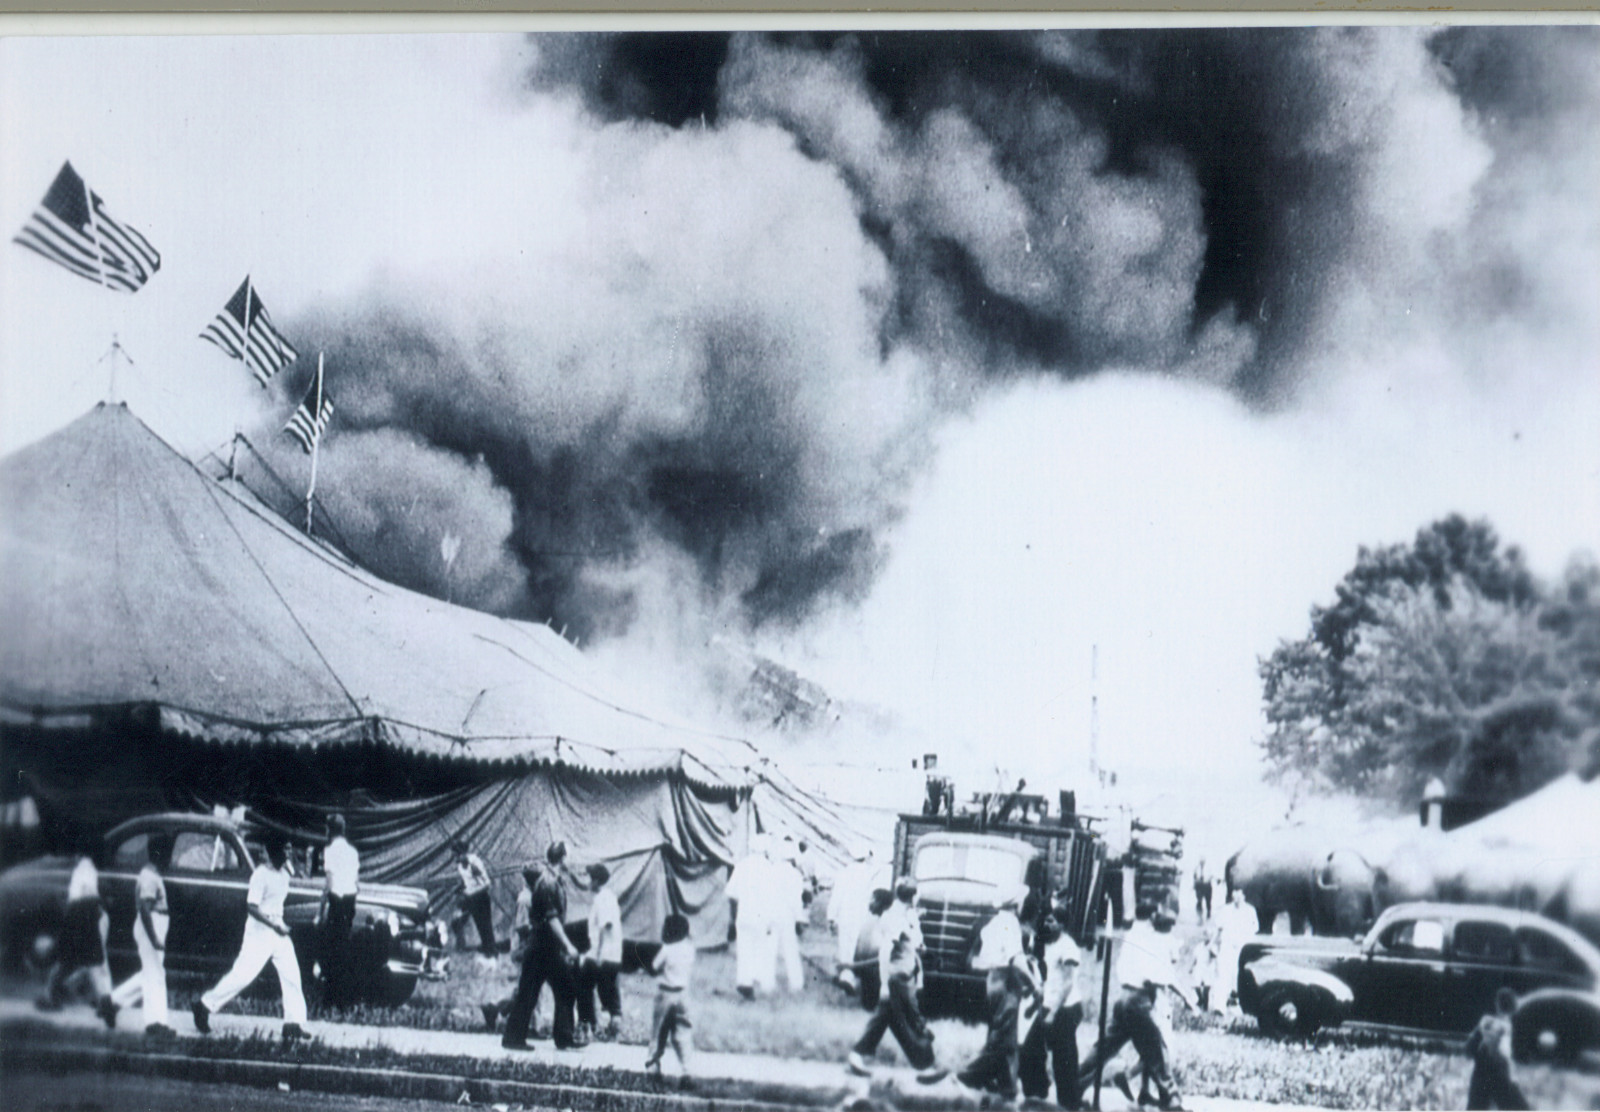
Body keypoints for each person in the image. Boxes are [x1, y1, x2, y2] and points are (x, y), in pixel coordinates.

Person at [193, 832, 309, 1041]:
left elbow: (295, 871)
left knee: (292, 975)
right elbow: (252, 907)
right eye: (287, 848)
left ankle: (293, 1024)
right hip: (260, 932)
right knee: (242, 975)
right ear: (277, 850)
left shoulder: (285, 872)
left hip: (278, 928)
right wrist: (273, 924)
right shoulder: (260, 875)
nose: (291, 852)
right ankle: (203, 1006)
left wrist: (278, 924)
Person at [1075, 908, 1186, 1112]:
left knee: (1105, 1046)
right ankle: (1171, 1100)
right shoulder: (1149, 939)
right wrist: (1187, 996)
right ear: (1152, 917)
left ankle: (1075, 1086)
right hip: (1140, 999)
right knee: (1156, 1050)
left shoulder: (1132, 935)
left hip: (1123, 997)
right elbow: (1160, 977)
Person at [846, 877, 949, 1085]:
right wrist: (884, 984)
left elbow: (915, 944)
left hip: (903, 976)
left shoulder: (904, 916)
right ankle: (927, 1064)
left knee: (893, 1019)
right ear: (913, 896)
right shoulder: (895, 918)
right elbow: (886, 951)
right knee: (909, 1018)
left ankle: (859, 1055)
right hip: (896, 977)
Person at [958, 889, 1041, 1103]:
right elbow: (1016, 960)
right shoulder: (1010, 923)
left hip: (992, 980)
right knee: (1003, 1040)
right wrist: (1034, 985)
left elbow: (980, 958)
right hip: (1006, 981)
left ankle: (1008, 1089)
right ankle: (966, 1074)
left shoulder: (992, 924)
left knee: (1008, 1038)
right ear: (1016, 904)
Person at [502, 841, 586, 1051]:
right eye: (569, 857)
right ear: (563, 858)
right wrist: (568, 945)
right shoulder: (547, 882)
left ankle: (563, 1037)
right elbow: (552, 920)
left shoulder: (553, 880)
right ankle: (513, 1038)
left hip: (547, 948)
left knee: (564, 987)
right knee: (529, 992)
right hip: (541, 947)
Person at [108, 832, 174, 1037]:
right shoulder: (149, 877)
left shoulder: (152, 874)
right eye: (166, 853)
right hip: (151, 925)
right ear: (159, 854)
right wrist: (154, 936)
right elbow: (145, 909)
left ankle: (111, 1002)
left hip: (155, 923)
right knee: (156, 976)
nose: (168, 858)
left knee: (149, 974)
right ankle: (155, 1023)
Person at [38, 856, 115, 1027]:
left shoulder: (84, 867)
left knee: (67, 960)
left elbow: (83, 895)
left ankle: (51, 995)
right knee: (88, 962)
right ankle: (104, 1000)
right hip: (88, 914)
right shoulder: (88, 868)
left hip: (80, 914)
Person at [1019, 913, 1082, 1110]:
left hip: (1066, 1008)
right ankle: (1037, 1093)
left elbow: (1068, 983)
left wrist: (1054, 1012)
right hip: (1047, 1004)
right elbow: (1046, 978)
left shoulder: (1068, 946)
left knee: (1064, 1058)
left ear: (1062, 924)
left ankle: (1069, 1103)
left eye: (1052, 920)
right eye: (1045, 920)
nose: (1047, 923)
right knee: (1030, 1049)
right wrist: (1035, 1004)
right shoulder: (1044, 944)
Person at [828, 848, 890, 993]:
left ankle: (846, 976)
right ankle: (853, 976)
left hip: (845, 914)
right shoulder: (871, 873)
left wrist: (831, 917)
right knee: (858, 947)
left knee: (845, 946)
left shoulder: (843, 873)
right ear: (867, 856)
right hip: (861, 914)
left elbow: (836, 896)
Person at [725, 835, 779, 998]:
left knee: (744, 949)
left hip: (744, 914)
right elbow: (774, 898)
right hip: (762, 916)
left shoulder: (741, 866)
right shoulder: (770, 869)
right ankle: (757, 978)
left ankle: (744, 982)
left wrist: (734, 916)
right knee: (760, 948)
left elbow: (731, 894)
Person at [644, 912, 696, 1080]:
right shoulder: (689, 950)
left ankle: (653, 1065)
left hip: (666, 992)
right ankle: (687, 1070)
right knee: (683, 1033)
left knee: (658, 1031)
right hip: (683, 994)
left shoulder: (667, 949)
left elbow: (654, 967)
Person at [318, 814, 360, 1008]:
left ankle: (331, 1000)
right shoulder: (352, 852)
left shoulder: (329, 851)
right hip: (350, 903)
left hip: (337, 902)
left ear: (329, 830)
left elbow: (329, 885)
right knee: (346, 950)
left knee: (331, 952)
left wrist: (320, 912)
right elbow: (356, 883)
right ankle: (345, 1000)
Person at [579, 862, 623, 1042]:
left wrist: (597, 955)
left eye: (590, 879)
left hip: (603, 954)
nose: (588, 882)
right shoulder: (609, 896)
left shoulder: (602, 899)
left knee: (585, 985)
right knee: (608, 990)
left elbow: (606, 926)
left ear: (596, 880)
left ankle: (589, 1024)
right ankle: (609, 1025)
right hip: (611, 954)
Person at [1464, 988, 1529, 1110]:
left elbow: (1468, 1050)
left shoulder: (1486, 1023)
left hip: (1484, 1078)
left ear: (1497, 1005)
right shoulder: (1516, 1030)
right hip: (1500, 1077)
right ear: (1515, 1007)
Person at [1214, 886, 1257, 1012]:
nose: (1236, 896)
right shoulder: (1225, 910)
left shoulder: (1250, 911)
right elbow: (1218, 929)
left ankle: (1237, 1004)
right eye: (1234, 893)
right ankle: (1219, 1006)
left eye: (1239, 893)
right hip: (1226, 947)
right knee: (1222, 974)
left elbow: (1253, 930)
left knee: (1238, 975)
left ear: (1244, 896)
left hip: (1242, 948)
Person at [453, 839, 498, 956]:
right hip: (471, 898)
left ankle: (492, 952)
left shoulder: (473, 863)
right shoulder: (459, 865)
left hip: (481, 898)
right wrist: (459, 888)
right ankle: (485, 947)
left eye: (456, 855)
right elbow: (467, 881)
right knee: (478, 924)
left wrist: (472, 893)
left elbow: (487, 884)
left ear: (462, 853)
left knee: (485, 925)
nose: (454, 858)